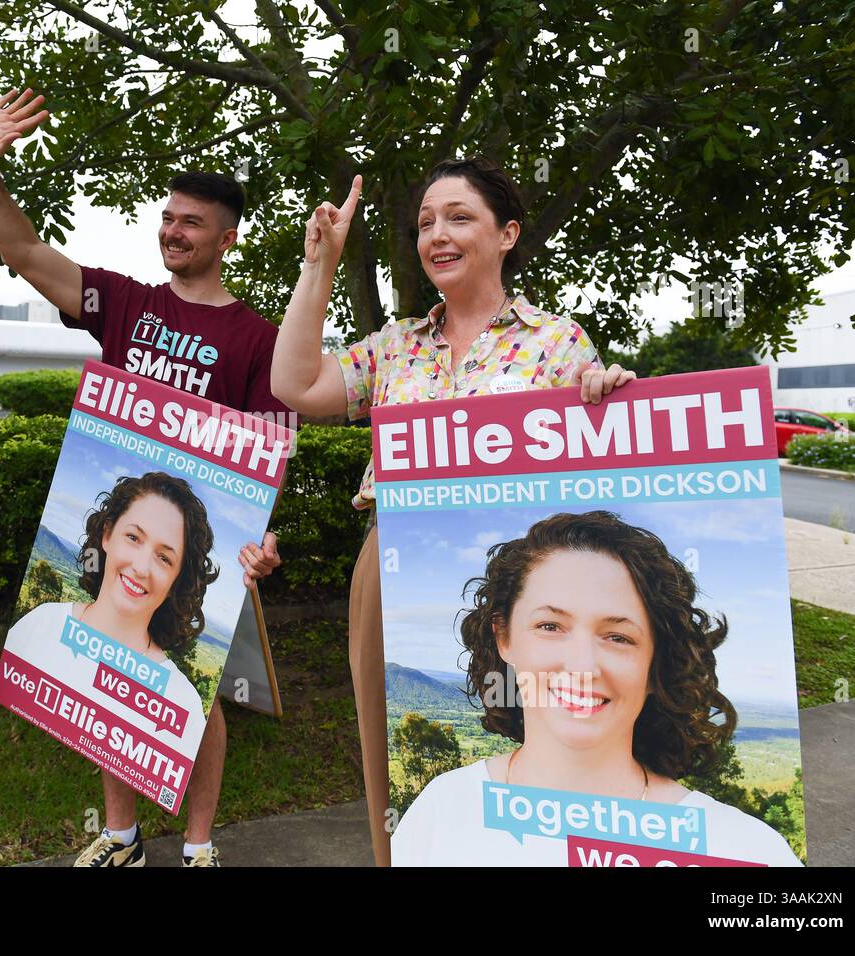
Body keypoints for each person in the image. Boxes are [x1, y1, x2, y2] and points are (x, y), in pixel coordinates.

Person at [271, 157, 637, 866]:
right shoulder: (394, 346)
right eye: (425, 223)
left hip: (522, 581)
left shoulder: (558, 342)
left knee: (525, 743)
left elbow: (602, 466)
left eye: (459, 217)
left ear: (507, 234)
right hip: (394, 557)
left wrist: (608, 394)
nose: (437, 233)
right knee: (391, 747)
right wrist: (319, 266)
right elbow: (295, 385)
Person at [0, 87, 290, 866]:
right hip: (131, 531)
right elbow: (25, 254)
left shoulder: (258, 337)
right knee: (109, 677)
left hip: (202, 548)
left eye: (192, 223)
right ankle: (121, 837)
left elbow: (274, 446)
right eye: (169, 217)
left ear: (228, 238)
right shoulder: (127, 304)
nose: (173, 232)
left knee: (195, 695)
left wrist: (266, 533)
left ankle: (200, 847)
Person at [391, 510, 802, 866]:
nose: (583, 666)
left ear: (654, 662)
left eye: (618, 637)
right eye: (550, 626)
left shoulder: (745, 850)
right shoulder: (443, 809)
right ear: (505, 637)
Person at [5, 472, 221, 866]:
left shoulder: (182, 699)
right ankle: (122, 842)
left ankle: (199, 850)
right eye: (133, 538)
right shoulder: (39, 625)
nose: (140, 566)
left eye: (164, 557)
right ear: (107, 535)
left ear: (176, 579)